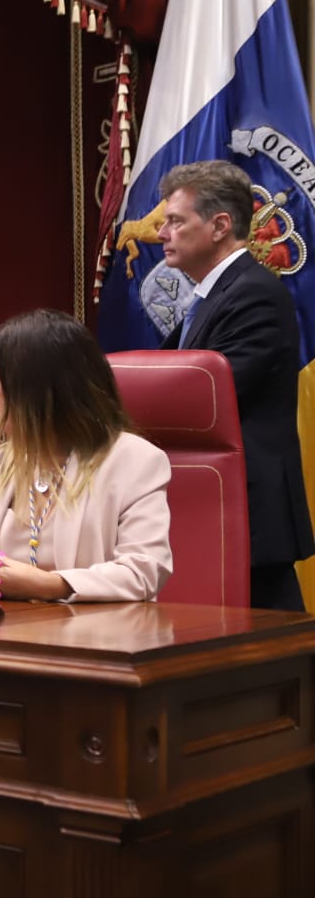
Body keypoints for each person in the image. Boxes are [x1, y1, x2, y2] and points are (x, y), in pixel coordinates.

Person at [157, 160, 314, 610]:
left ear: (220, 225)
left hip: (247, 510)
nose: (162, 233)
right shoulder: (214, 294)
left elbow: (207, 394)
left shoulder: (253, 292)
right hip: (217, 503)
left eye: (175, 221)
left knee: (271, 660)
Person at [0, 309, 172, 601]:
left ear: (39, 389)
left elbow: (144, 570)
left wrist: (48, 585)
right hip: (1, 636)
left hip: (96, 637)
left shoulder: (135, 461)